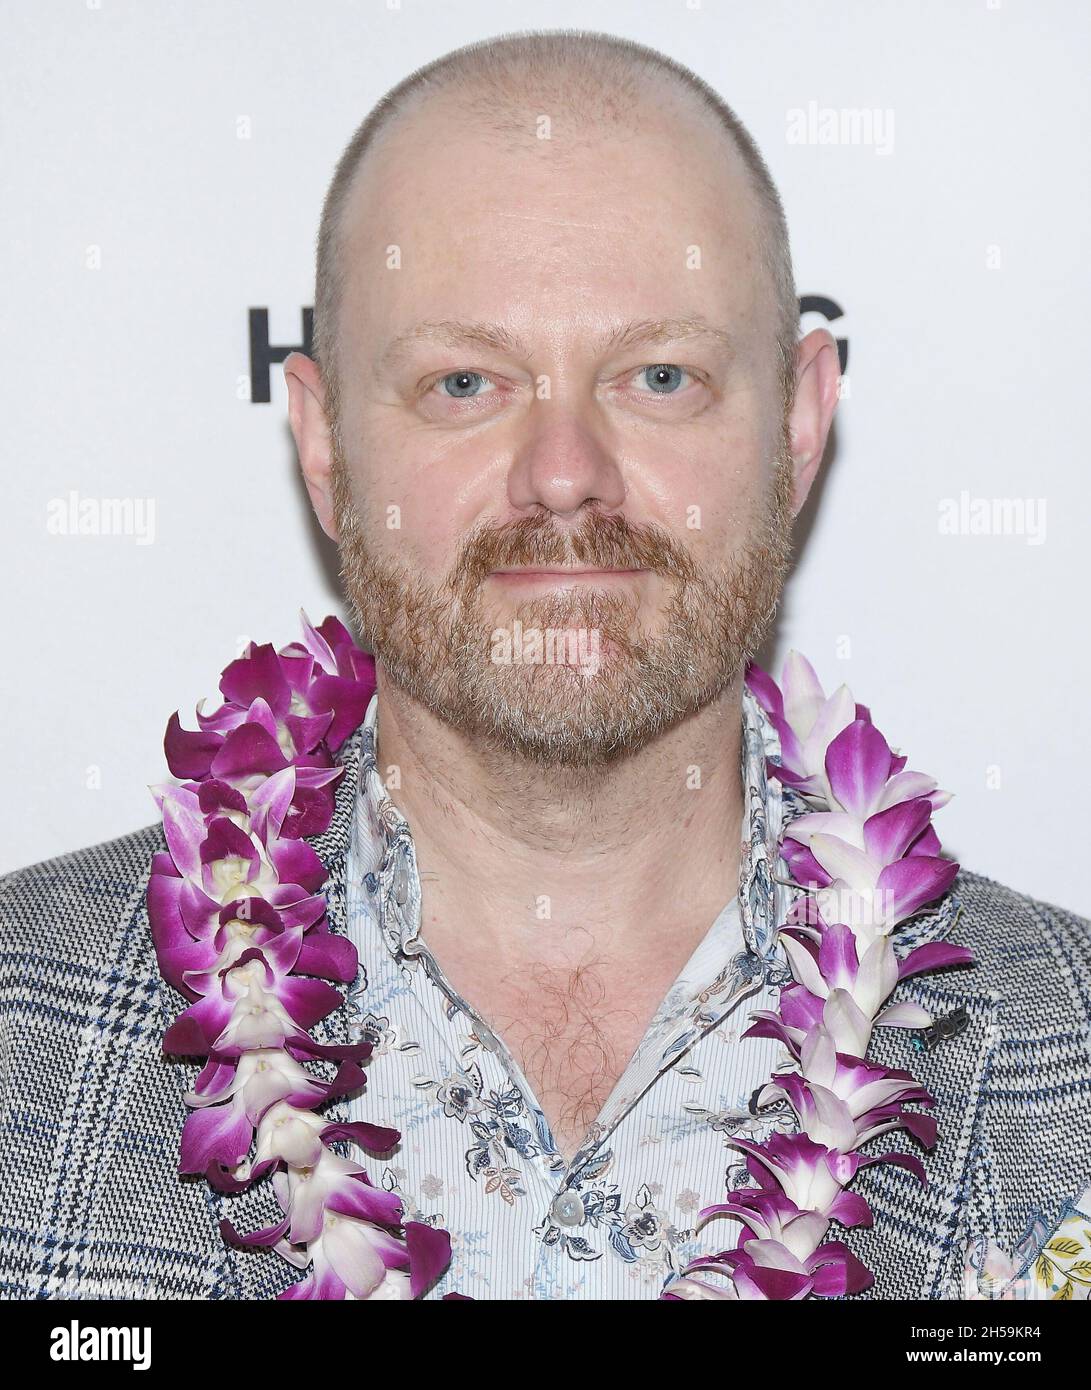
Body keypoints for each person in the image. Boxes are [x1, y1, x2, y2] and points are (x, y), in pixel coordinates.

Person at [2, 29, 1088, 1303]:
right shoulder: (22, 1035)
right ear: (323, 443)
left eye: (659, 375)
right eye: (464, 381)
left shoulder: (1065, 1053)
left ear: (797, 425)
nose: (564, 470)